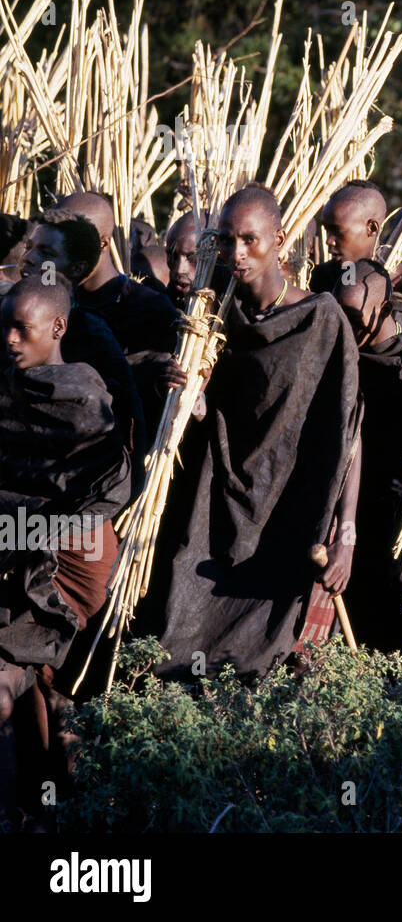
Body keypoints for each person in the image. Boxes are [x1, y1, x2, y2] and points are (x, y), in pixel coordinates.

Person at [155, 185, 361, 678]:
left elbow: (349, 432)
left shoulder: (321, 320)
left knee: (268, 661)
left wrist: (346, 536)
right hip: (217, 505)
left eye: (250, 239)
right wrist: (189, 397)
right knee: (183, 649)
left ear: (280, 239)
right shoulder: (214, 320)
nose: (238, 253)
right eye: (228, 241)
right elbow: (215, 414)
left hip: (289, 512)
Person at [0, 276, 132, 826]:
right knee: (24, 683)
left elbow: (104, 490)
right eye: (3, 326)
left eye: (20, 328)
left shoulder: (82, 395)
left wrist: (26, 530)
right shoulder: (8, 387)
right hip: (17, 554)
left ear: (56, 328)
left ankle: (77, 812)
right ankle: (29, 808)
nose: (8, 338)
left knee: (60, 689)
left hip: (74, 565)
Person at [333, 260, 402, 650]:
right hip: (349, 519)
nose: (347, 329)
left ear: (386, 310)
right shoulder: (341, 361)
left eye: (355, 318)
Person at [20, 210, 145, 490]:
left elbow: (123, 437)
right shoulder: (8, 317)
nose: (28, 259)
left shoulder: (90, 336)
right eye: (29, 247)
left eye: (46, 253)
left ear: (76, 269)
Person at [58, 192, 179, 357]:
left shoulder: (149, 309)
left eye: (69, 242)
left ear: (102, 243)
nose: (59, 251)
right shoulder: (55, 295)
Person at [308, 180, 387, 294]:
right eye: (327, 231)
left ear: (371, 228)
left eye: (338, 231)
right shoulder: (319, 278)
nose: (328, 241)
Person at [163, 213, 199, 309]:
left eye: (191, 257)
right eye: (173, 257)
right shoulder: (167, 306)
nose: (180, 270)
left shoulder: (235, 308)